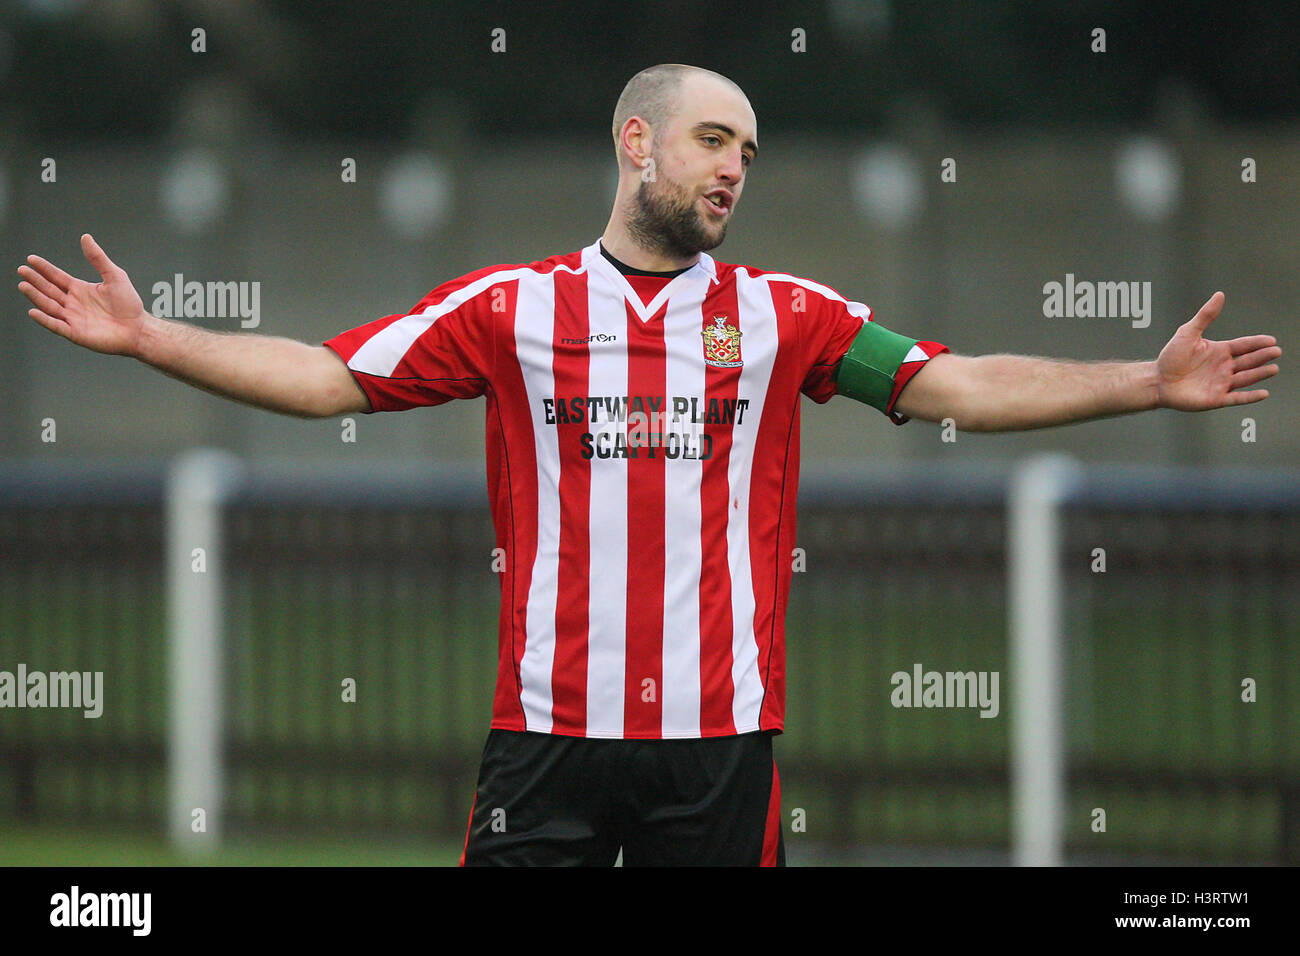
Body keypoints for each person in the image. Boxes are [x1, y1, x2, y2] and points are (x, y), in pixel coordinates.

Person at [16, 64, 1282, 867]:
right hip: (546, 738)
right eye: (713, 139)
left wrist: (1142, 380)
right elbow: (325, 375)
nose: (735, 166)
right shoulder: (514, 305)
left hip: (718, 745)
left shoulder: (786, 313)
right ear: (638, 143)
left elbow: (955, 383)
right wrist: (147, 337)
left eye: (748, 151)